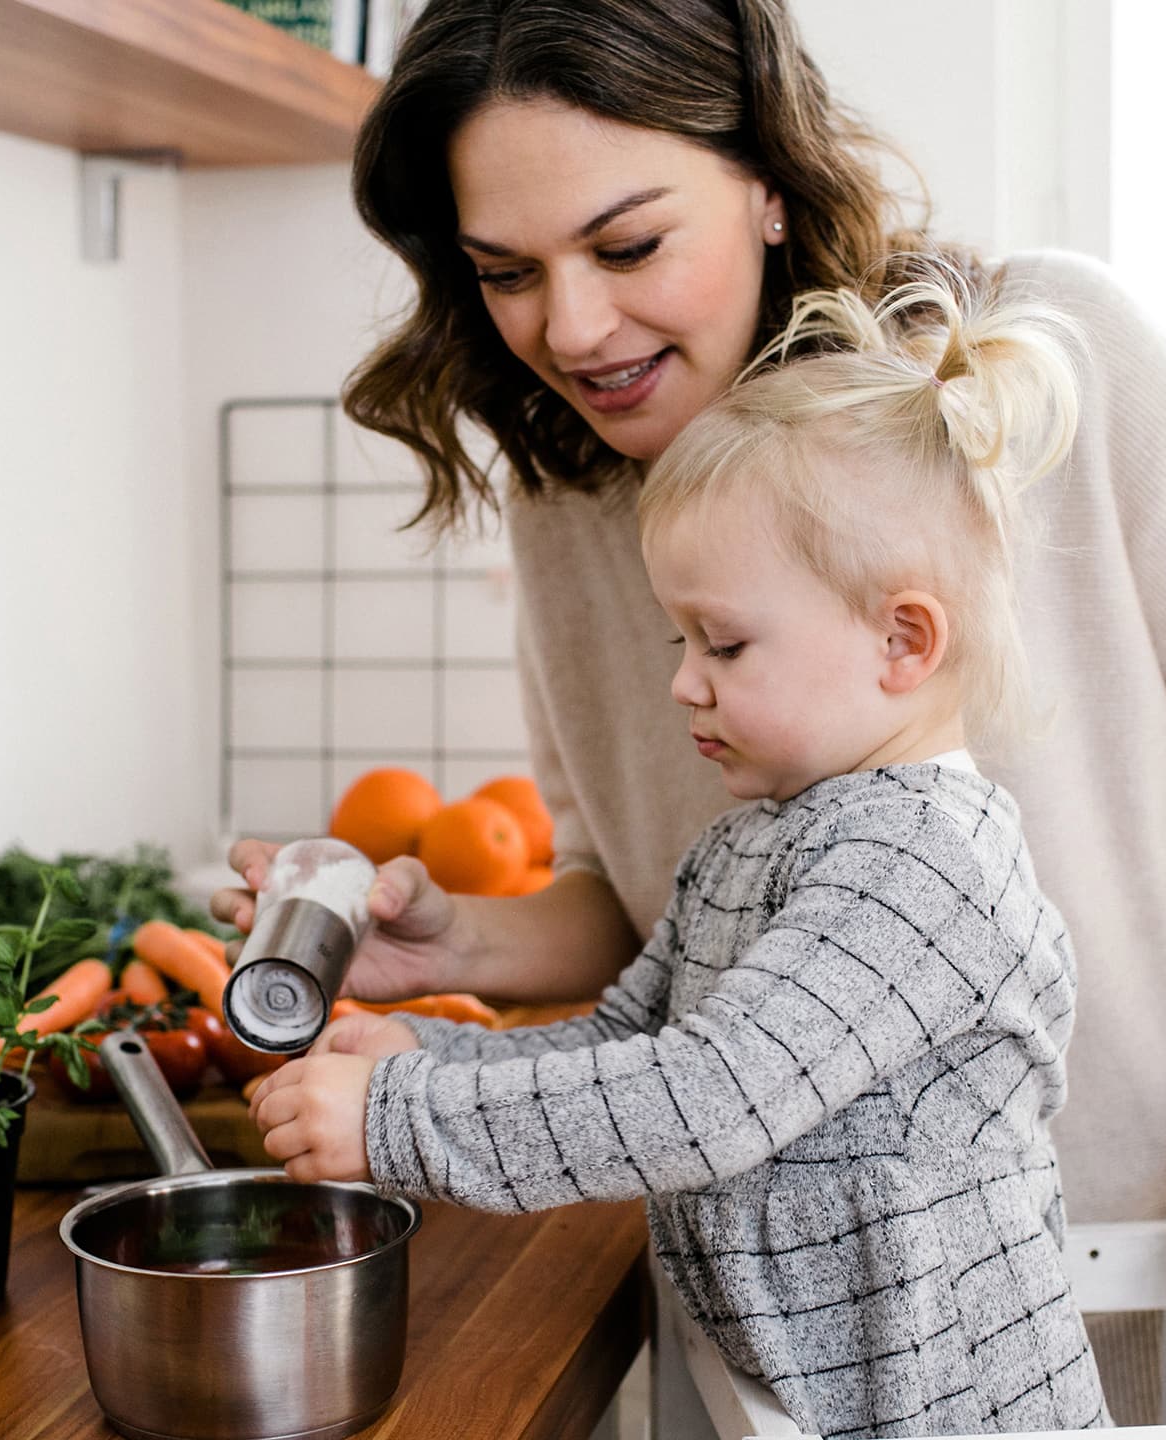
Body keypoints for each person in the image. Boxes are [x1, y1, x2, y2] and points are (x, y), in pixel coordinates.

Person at [217, 0, 1166, 1420]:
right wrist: (456, 949)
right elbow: (652, 898)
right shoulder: (575, 488)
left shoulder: (1040, 358)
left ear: (768, 178)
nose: (575, 327)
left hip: (1120, 1254)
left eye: (629, 243)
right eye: (506, 272)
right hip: (771, 1288)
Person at [257, 270, 1106, 1436]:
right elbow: (629, 1042)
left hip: (939, 1410)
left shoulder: (921, 866)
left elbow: (709, 1098)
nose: (681, 681)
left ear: (902, 640)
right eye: (680, 635)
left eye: (726, 642)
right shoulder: (753, 842)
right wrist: (432, 1053)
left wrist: (401, 1118)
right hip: (806, 1398)